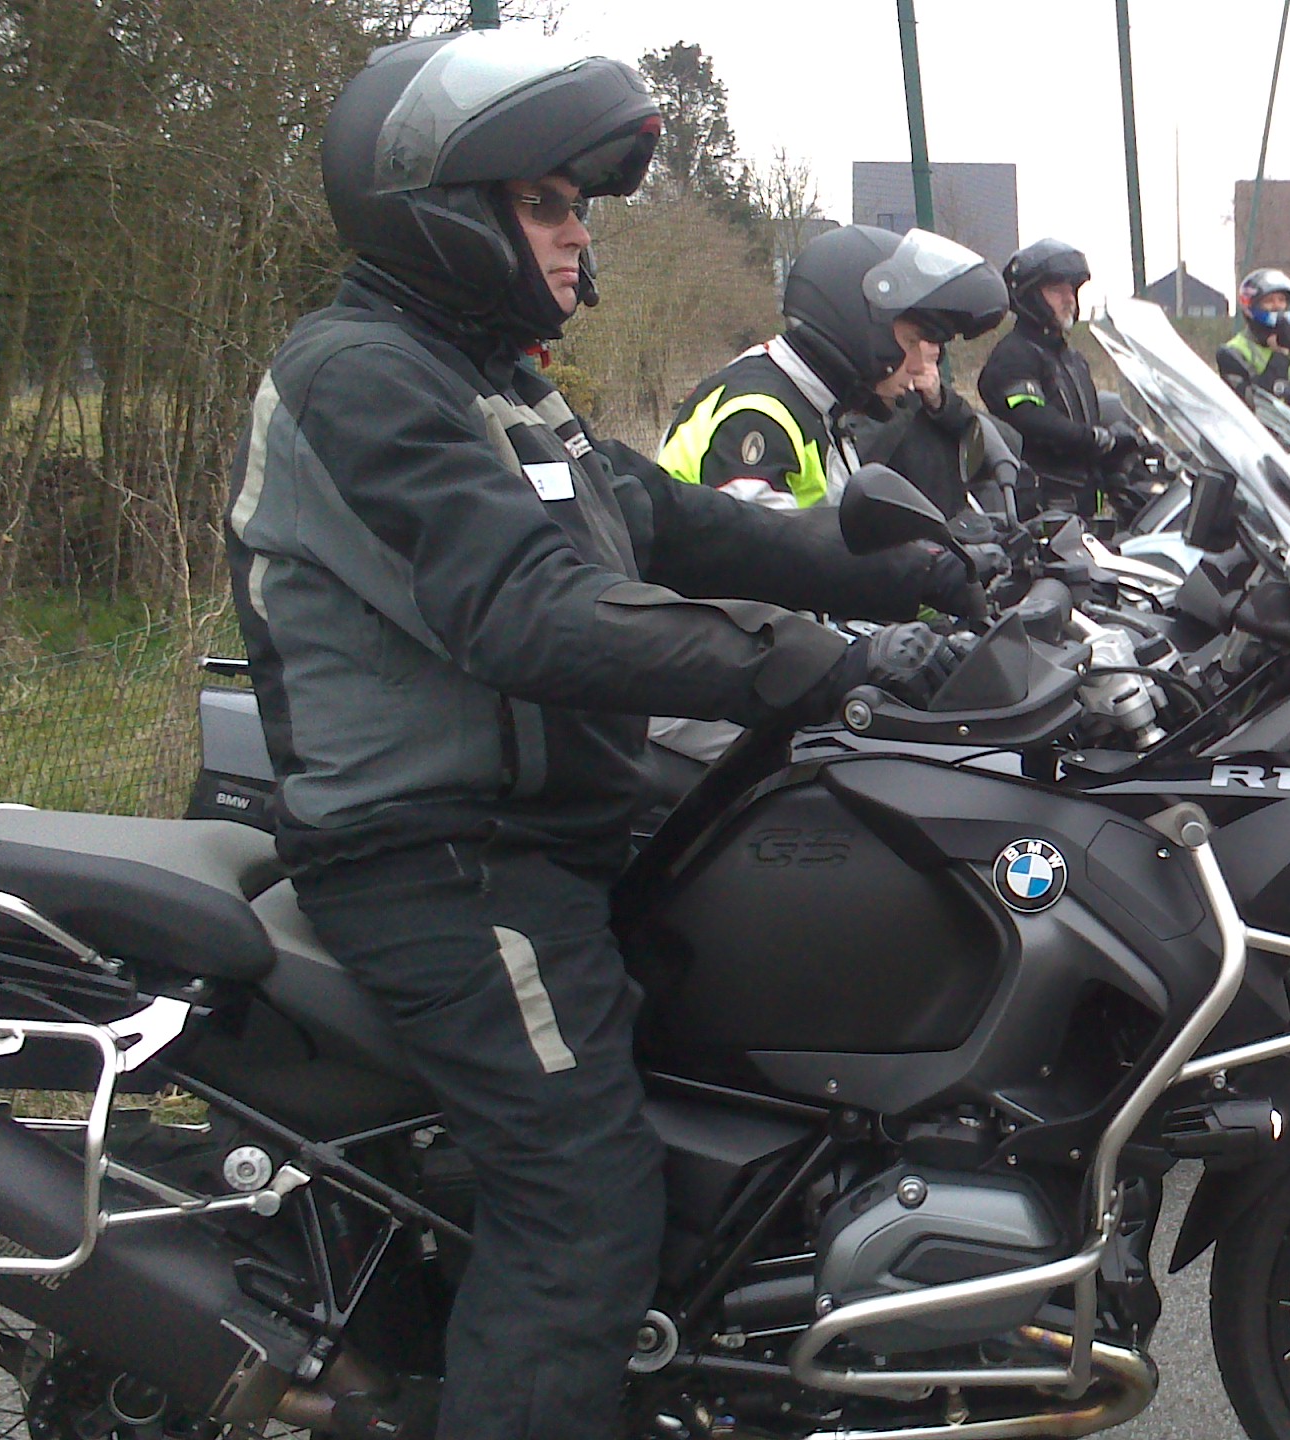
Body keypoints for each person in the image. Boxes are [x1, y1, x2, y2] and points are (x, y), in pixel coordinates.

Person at [225, 32, 974, 1440]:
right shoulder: (363, 380)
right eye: (550, 206)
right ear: (449, 210)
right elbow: (528, 611)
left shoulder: (495, 380)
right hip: (442, 863)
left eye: (580, 209)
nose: (578, 239)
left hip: (553, 835)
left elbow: (667, 521)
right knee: (580, 1195)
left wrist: (920, 571)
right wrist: (809, 660)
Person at [659, 224, 1017, 521]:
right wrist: (915, 570)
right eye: (912, 342)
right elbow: (768, 563)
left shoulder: (816, 406)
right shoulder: (758, 413)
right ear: (857, 327)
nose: (920, 367)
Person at [977, 238, 1127, 518]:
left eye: (1072, 290)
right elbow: (1033, 418)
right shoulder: (1014, 356)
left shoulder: (1071, 358)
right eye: (1057, 290)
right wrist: (1095, 438)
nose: (1068, 298)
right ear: (1030, 295)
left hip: (1082, 510)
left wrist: (1119, 453)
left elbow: (1087, 420)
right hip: (1042, 511)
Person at [1217, 267, 1290, 393]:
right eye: (1269, 301)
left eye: (1281, 300)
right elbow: (1257, 401)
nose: (1277, 306)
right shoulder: (1232, 352)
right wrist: (1280, 354)